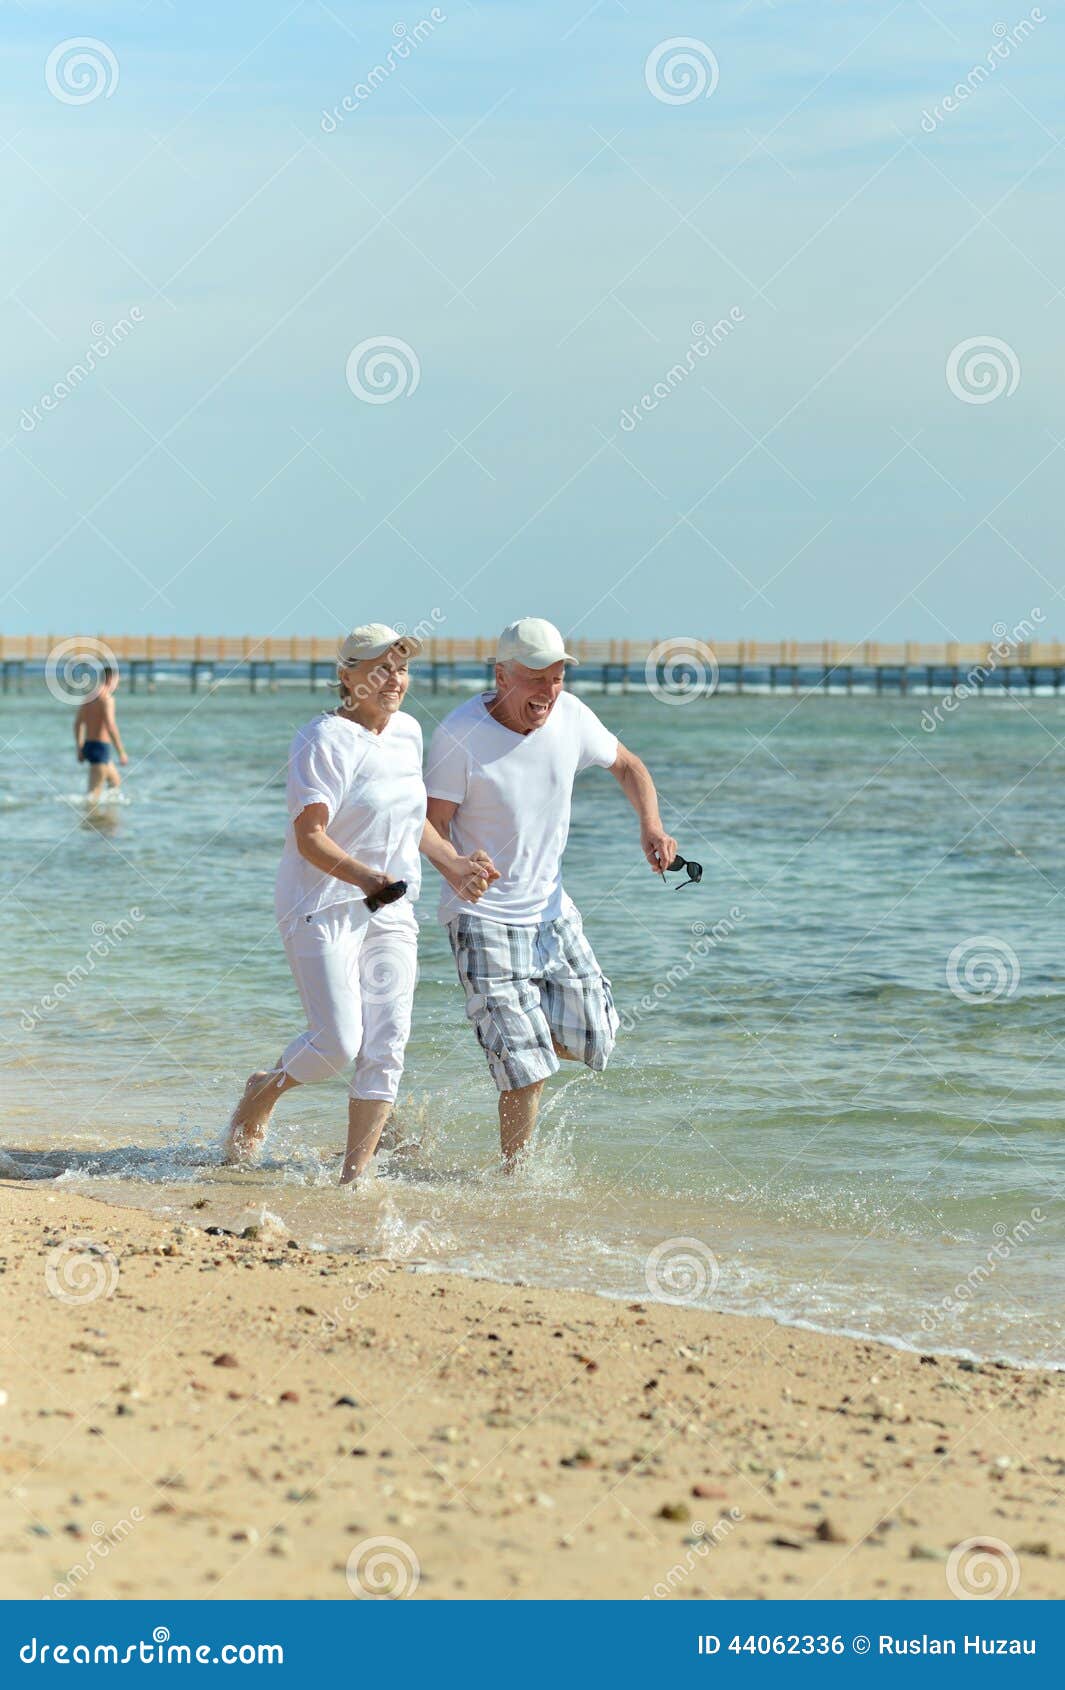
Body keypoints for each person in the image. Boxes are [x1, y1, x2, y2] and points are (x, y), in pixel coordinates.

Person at [224, 623, 497, 1184]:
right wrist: (366, 878)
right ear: (346, 675)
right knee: (337, 1043)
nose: (394, 679)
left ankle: (353, 1181)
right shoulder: (321, 739)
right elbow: (311, 836)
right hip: (321, 902)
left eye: (400, 667)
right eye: (379, 667)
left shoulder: (409, 732)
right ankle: (264, 1090)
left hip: (392, 906)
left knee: (387, 1042)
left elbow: (408, 815)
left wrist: (452, 863)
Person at [425, 616, 678, 1169]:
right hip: (483, 917)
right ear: (501, 675)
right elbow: (428, 822)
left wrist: (651, 825)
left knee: (598, 1036)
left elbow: (629, 766)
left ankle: (514, 1047)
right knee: (530, 1070)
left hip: (553, 916)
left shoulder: (573, 717)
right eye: (535, 677)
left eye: (557, 676)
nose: (548, 691)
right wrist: (454, 865)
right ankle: (514, 1177)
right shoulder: (458, 736)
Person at [74, 667, 128, 797]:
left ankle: (107, 815)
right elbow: (110, 726)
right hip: (100, 748)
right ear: (110, 679)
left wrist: (80, 748)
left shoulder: (89, 697)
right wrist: (121, 752)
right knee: (93, 794)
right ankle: (91, 816)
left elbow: (77, 724)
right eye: (117, 680)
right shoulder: (107, 699)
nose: (118, 683)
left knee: (115, 782)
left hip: (89, 745)